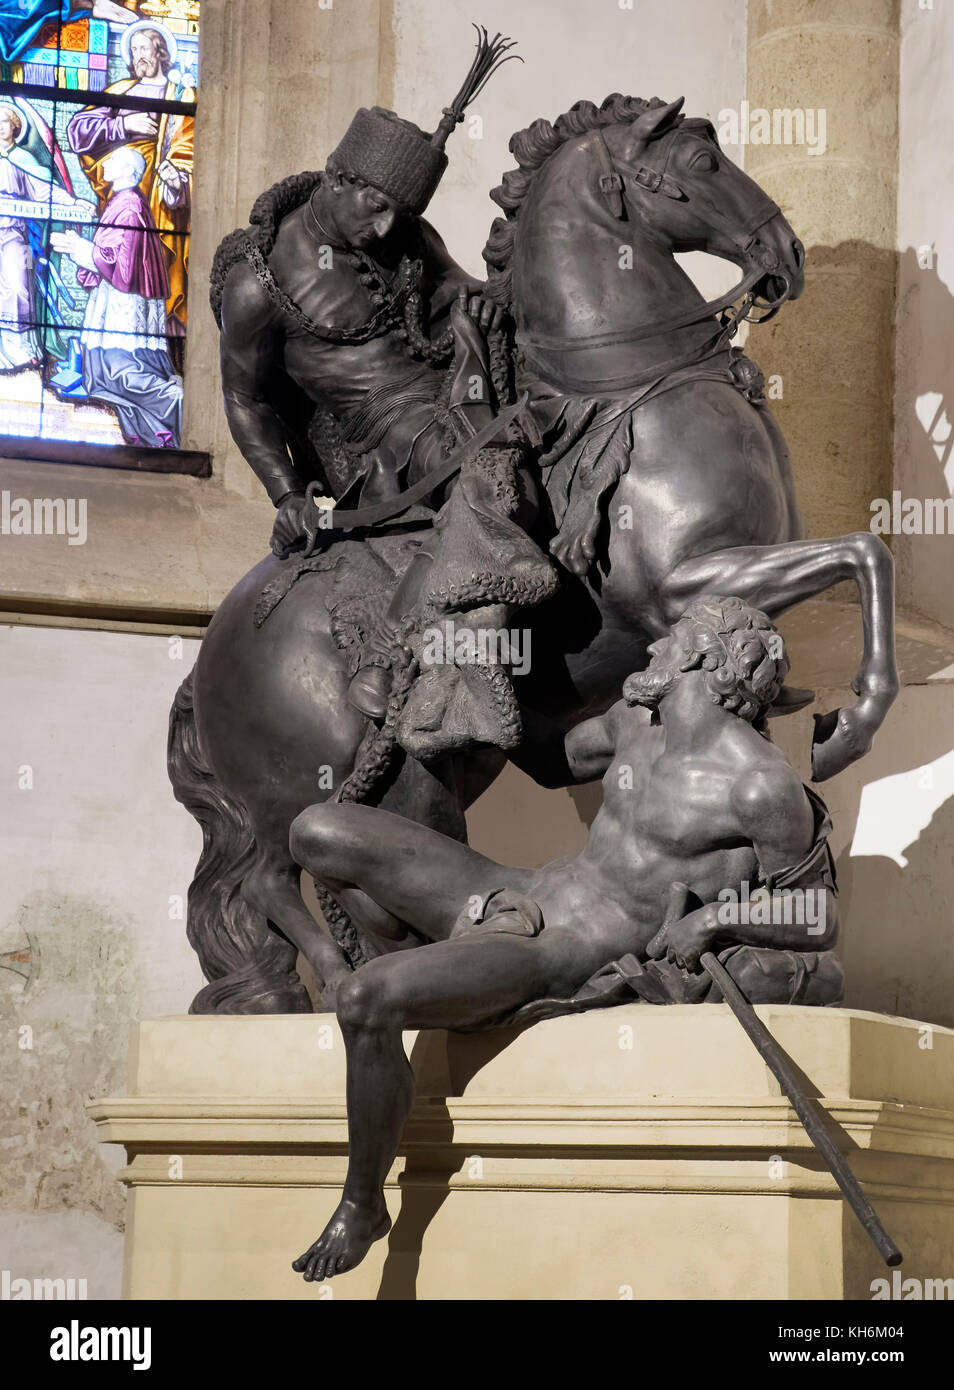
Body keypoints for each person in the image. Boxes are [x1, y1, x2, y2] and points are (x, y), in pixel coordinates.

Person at [285, 596, 843, 1280]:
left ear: (702, 655)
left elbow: (819, 917)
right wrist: (480, 667)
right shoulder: (637, 723)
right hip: (517, 891)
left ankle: (362, 1203)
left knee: (365, 999)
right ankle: (436, 969)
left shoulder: (759, 786)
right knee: (318, 830)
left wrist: (716, 920)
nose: (652, 650)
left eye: (670, 640)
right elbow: (552, 755)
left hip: (560, 950)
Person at [214, 30, 549, 726]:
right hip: (393, 429)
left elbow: (457, 288)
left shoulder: (404, 237)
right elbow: (246, 399)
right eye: (377, 206)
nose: (388, 225)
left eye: (403, 212)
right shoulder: (259, 280)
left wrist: (485, 304)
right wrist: (287, 494)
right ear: (338, 179)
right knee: (482, 473)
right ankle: (398, 653)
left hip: (459, 377)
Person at [66, 19, 193, 339]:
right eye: (134, 50)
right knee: (117, 262)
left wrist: (175, 181)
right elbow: (78, 130)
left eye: (145, 48)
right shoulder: (121, 91)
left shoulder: (180, 95)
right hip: (120, 197)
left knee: (154, 270)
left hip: (159, 203)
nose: (139, 56)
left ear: (160, 52)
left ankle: (159, 346)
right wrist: (124, 125)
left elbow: (186, 149)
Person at [51, 145, 182, 446]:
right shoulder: (122, 202)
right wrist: (82, 248)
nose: (105, 165)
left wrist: (80, 249)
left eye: (111, 161)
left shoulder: (130, 207)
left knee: (120, 375)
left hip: (123, 309)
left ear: (127, 170)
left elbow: (123, 265)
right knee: (104, 376)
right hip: (112, 300)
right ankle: (154, 427)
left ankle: (179, 402)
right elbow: (114, 254)